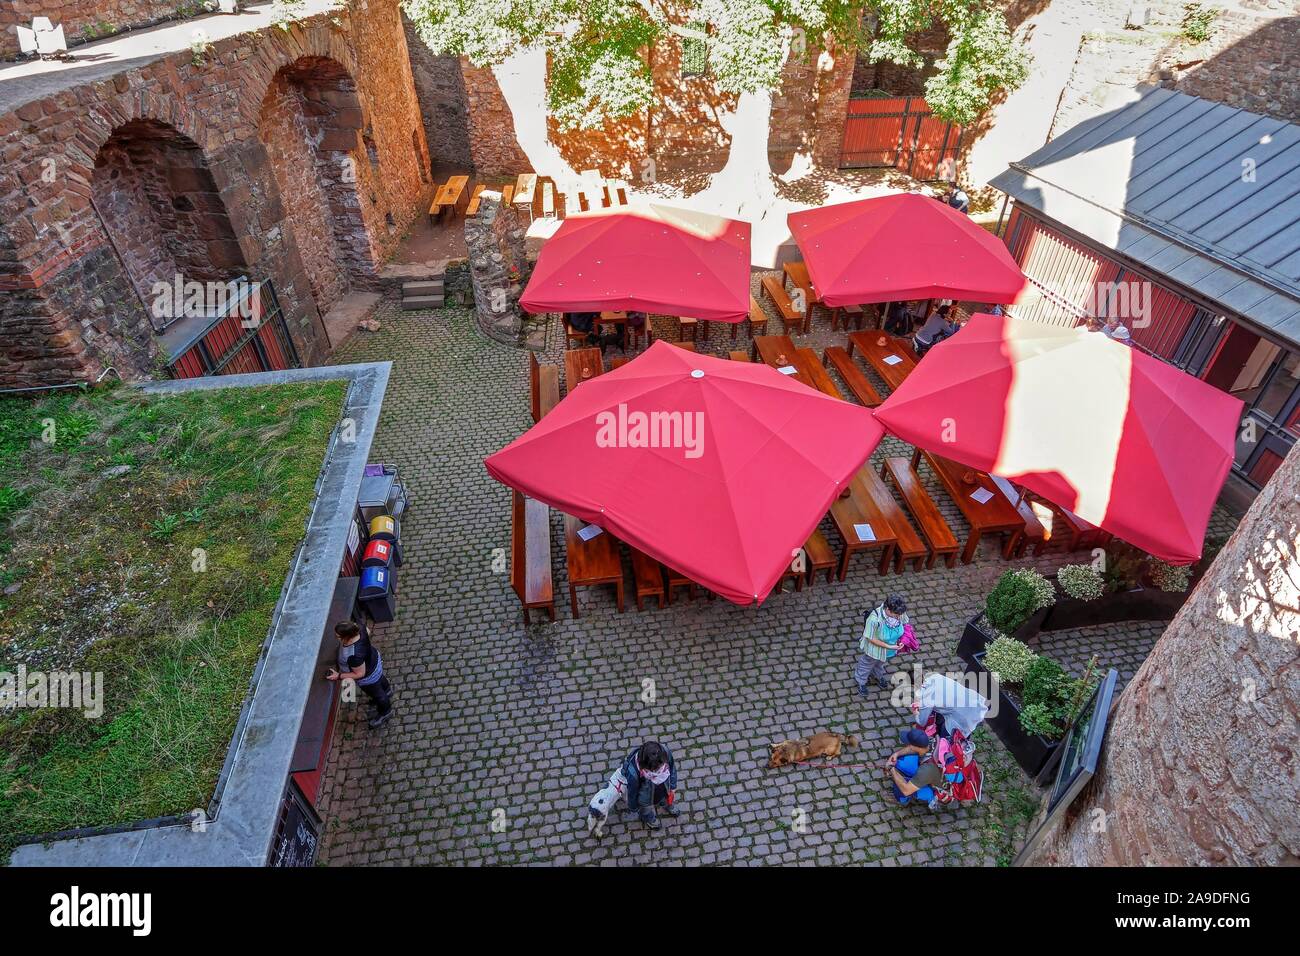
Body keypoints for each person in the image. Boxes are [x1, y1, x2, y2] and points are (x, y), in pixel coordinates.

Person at [588, 740, 680, 831]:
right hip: (645, 796)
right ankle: (649, 820)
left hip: (664, 786)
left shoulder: (665, 752)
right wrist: (634, 807)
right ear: (645, 767)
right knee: (646, 810)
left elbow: (672, 769)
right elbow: (632, 792)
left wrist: (672, 785)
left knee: (667, 797)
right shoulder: (633, 773)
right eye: (657, 770)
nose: (661, 769)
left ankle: (668, 805)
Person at [325, 620, 392, 728]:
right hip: (374, 660)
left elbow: (360, 674)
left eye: (338, 636)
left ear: (347, 637)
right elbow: (368, 631)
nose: (336, 637)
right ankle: (388, 690)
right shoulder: (359, 628)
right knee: (380, 678)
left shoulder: (354, 656)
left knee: (378, 694)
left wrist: (339, 676)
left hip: (368, 676)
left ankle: (386, 712)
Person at [853, 594, 908, 695]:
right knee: (867, 664)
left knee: (881, 662)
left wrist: (902, 640)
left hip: (891, 648)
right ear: (887, 609)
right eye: (895, 614)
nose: (898, 616)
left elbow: (905, 624)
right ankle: (860, 681)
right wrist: (889, 646)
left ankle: (877, 675)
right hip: (875, 649)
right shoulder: (874, 619)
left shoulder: (899, 612)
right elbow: (871, 638)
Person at [885, 729, 946, 809]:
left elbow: (906, 790)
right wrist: (896, 754)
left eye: (909, 744)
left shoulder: (926, 770)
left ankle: (902, 800)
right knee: (901, 762)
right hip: (934, 775)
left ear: (915, 746)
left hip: (938, 790)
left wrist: (892, 769)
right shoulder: (931, 741)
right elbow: (910, 749)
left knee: (901, 782)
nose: (908, 745)